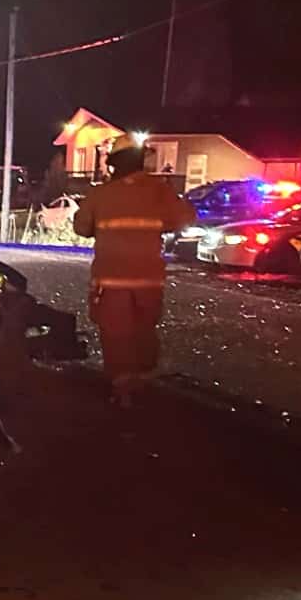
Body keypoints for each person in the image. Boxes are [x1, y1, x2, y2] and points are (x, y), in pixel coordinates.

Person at [70, 144, 193, 407]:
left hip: (111, 279)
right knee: (144, 329)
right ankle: (144, 380)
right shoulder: (159, 190)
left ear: (115, 163)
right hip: (148, 278)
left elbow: (81, 227)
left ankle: (122, 389)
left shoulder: (102, 193)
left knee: (116, 334)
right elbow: (184, 218)